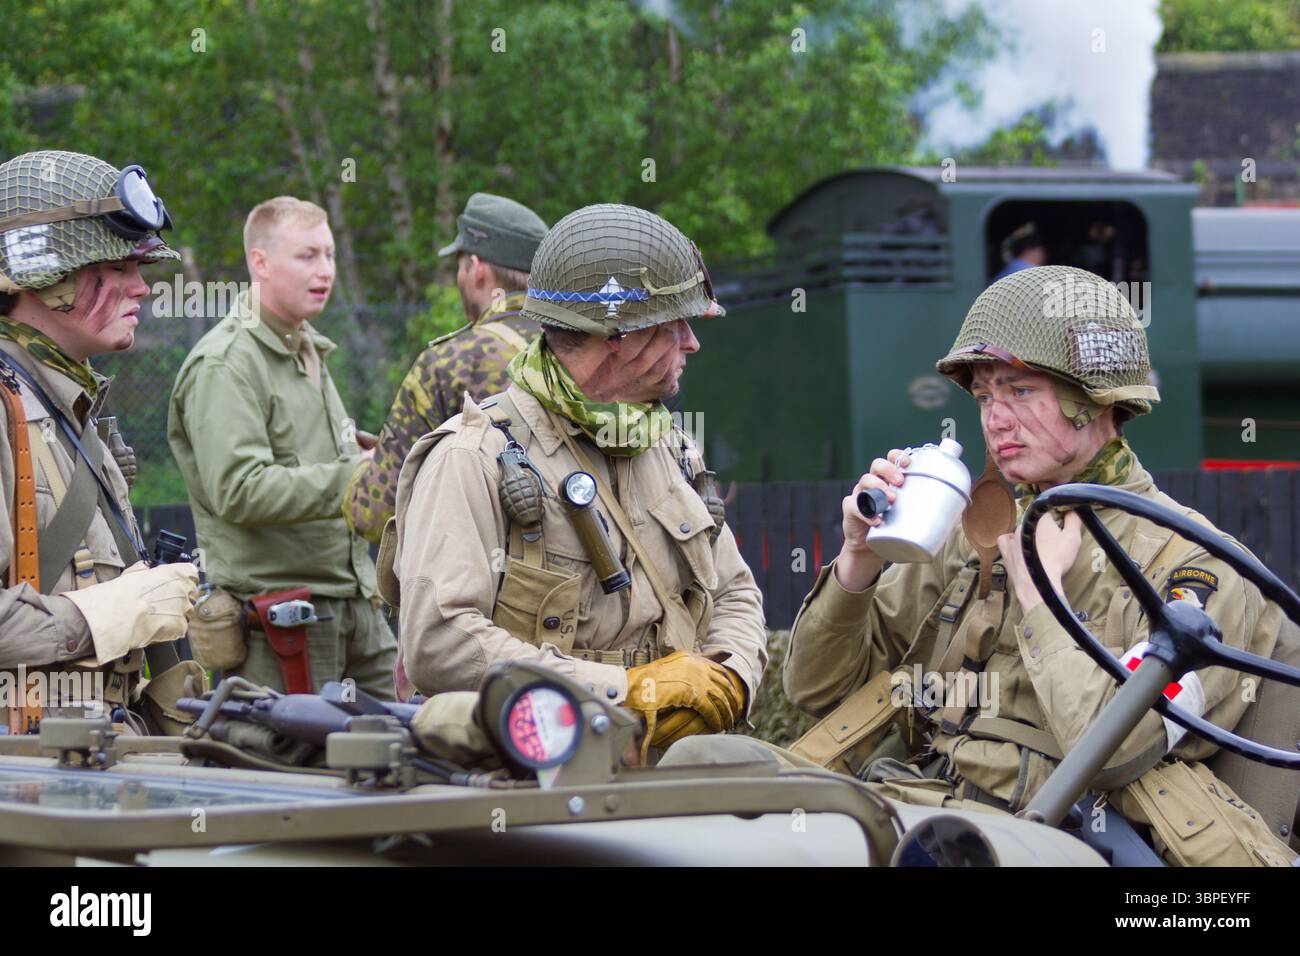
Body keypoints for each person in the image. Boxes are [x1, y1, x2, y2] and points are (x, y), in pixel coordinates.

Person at [774, 264, 1294, 866]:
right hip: (914, 805)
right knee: (704, 775)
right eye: (985, 396)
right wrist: (857, 559)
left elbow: (1121, 748)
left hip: (1059, 837)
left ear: (1090, 402)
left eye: (1020, 392)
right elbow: (816, 688)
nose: (995, 419)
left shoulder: (1194, 565)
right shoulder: (974, 532)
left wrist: (1040, 600)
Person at [389, 204, 767, 755]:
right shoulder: (472, 456)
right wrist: (626, 691)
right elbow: (440, 642)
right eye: (674, 325)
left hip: (672, 769)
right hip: (535, 775)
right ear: (617, 334)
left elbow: (735, 592)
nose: (692, 343)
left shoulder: (671, 449)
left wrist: (730, 678)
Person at [0, 149, 200, 733]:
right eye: (117, 268)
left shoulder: (61, 406)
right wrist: (111, 615)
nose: (140, 287)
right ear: (47, 276)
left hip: (92, 757)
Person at [168, 196, 396, 698]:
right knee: (291, 771)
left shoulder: (307, 348)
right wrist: (356, 475)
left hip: (355, 604)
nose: (326, 270)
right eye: (307, 255)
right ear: (260, 263)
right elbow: (239, 490)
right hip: (283, 622)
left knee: (390, 762)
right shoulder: (227, 364)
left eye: (331, 254)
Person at [344, 193, 547, 544]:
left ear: (476, 267)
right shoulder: (585, 347)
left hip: (481, 591)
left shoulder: (451, 363)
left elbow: (373, 516)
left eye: (459, 266)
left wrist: (363, 463)